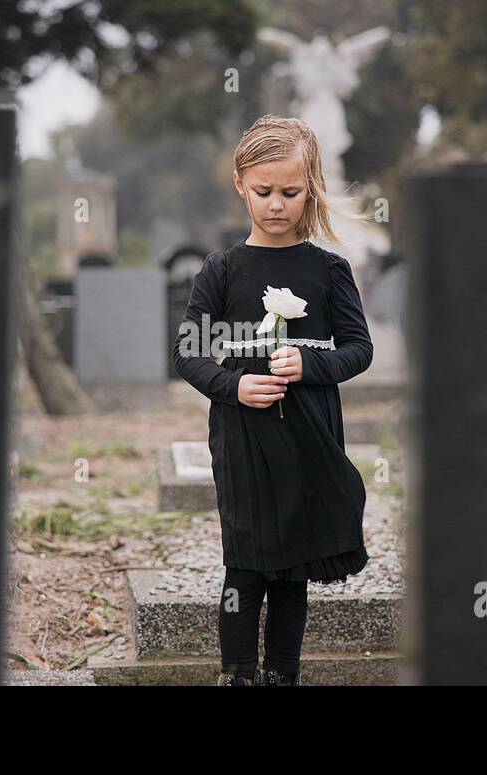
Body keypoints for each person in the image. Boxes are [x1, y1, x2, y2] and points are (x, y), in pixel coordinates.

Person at [171, 114, 375, 686]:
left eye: (290, 192)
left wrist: (311, 365)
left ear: (310, 187)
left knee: (293, 569)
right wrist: (233, 385)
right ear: (241, 185)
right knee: (246, 563)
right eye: (264, 192)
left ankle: (282, 675)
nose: (277, 204)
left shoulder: (329, 270)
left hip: (310, 432)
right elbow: (188, 354)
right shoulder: (221, 270)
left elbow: (359, 350)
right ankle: (236, 674)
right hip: (242, 436)